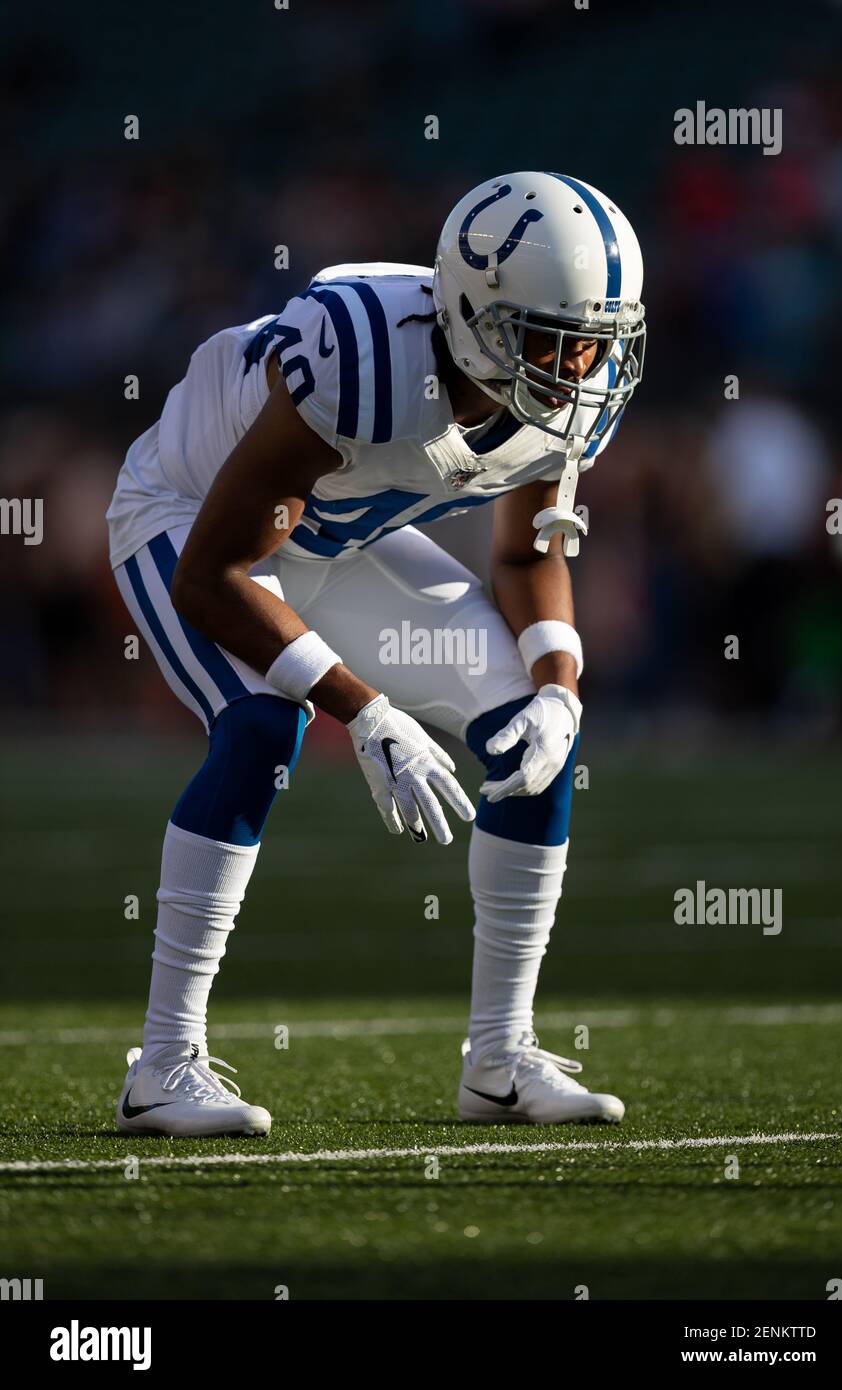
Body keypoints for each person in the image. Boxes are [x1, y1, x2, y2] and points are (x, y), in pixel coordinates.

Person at [107, 171, 646, 1136]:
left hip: (340, 543)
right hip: (187, 519)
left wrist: (561, 688)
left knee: (534, 730)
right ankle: (163, 1063)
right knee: (266, 723)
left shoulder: (577, 388)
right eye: (551, 339)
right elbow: (214, 574)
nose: (577, 366)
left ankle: (499, 1059)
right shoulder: (358, 357)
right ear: (477, 315)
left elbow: (528, 554)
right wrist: (365, 708)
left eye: (592, 340)